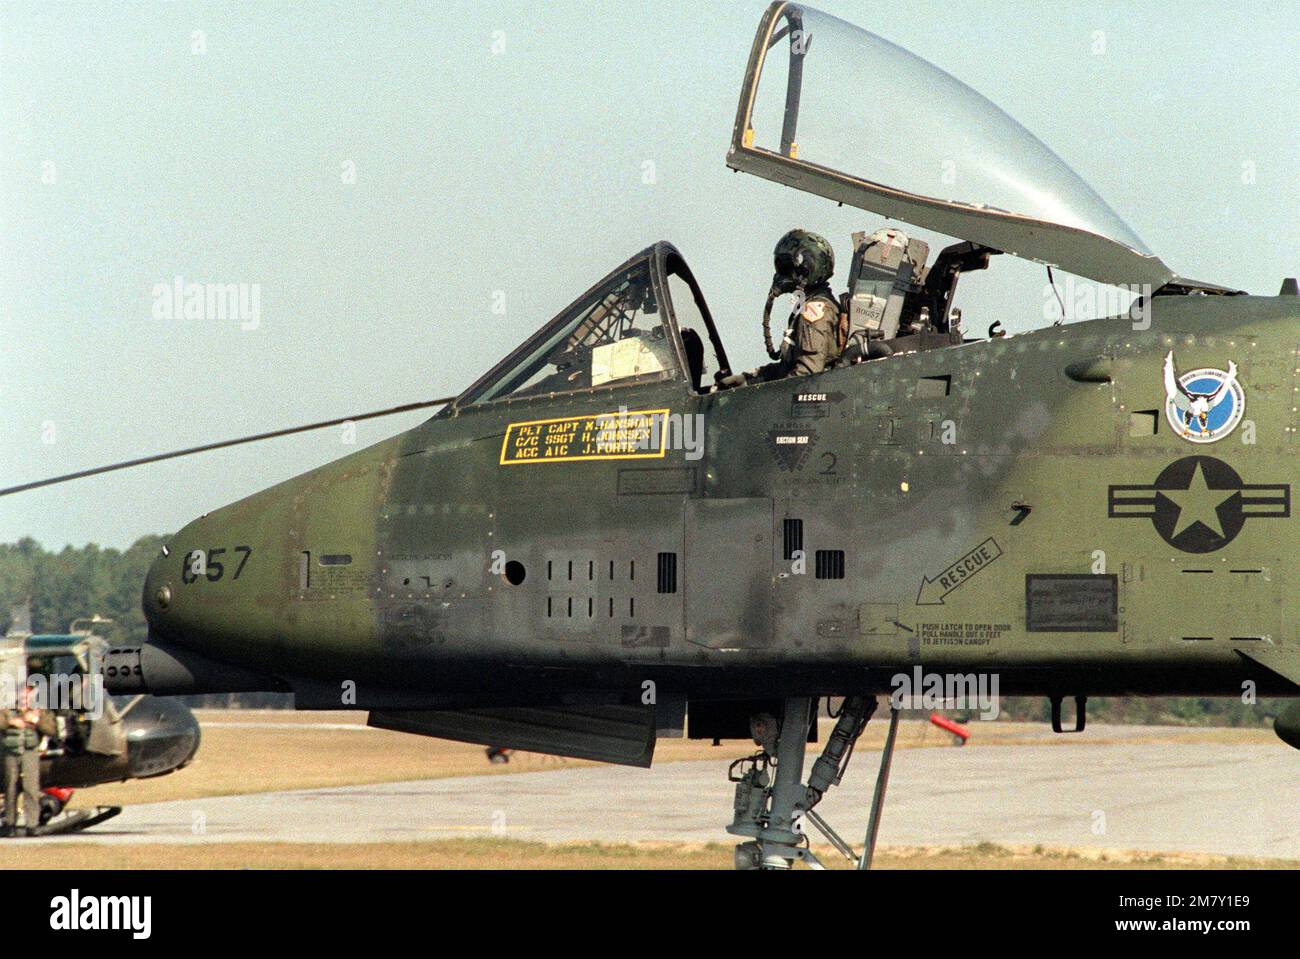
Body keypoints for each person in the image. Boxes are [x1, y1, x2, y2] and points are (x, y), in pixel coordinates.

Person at [719, 230, 843, 388]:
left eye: (785, 267)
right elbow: (788, 368)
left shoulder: (814, 311)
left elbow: (807, 375)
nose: (780, 275)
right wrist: (748, 379)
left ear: (807, 269)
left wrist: (761, 397)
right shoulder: (811, 306)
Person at [2, 686, 52, 837]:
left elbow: (51, 730)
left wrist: (36, 721)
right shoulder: (6, 710)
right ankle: (9, 823)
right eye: (22, 697)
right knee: (10, 788)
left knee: (31, 788)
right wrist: (11, 722)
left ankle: (32, 825)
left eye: (27, 697)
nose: (24, 700)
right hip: (11, 754)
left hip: (30, 753)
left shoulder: (39, 711)